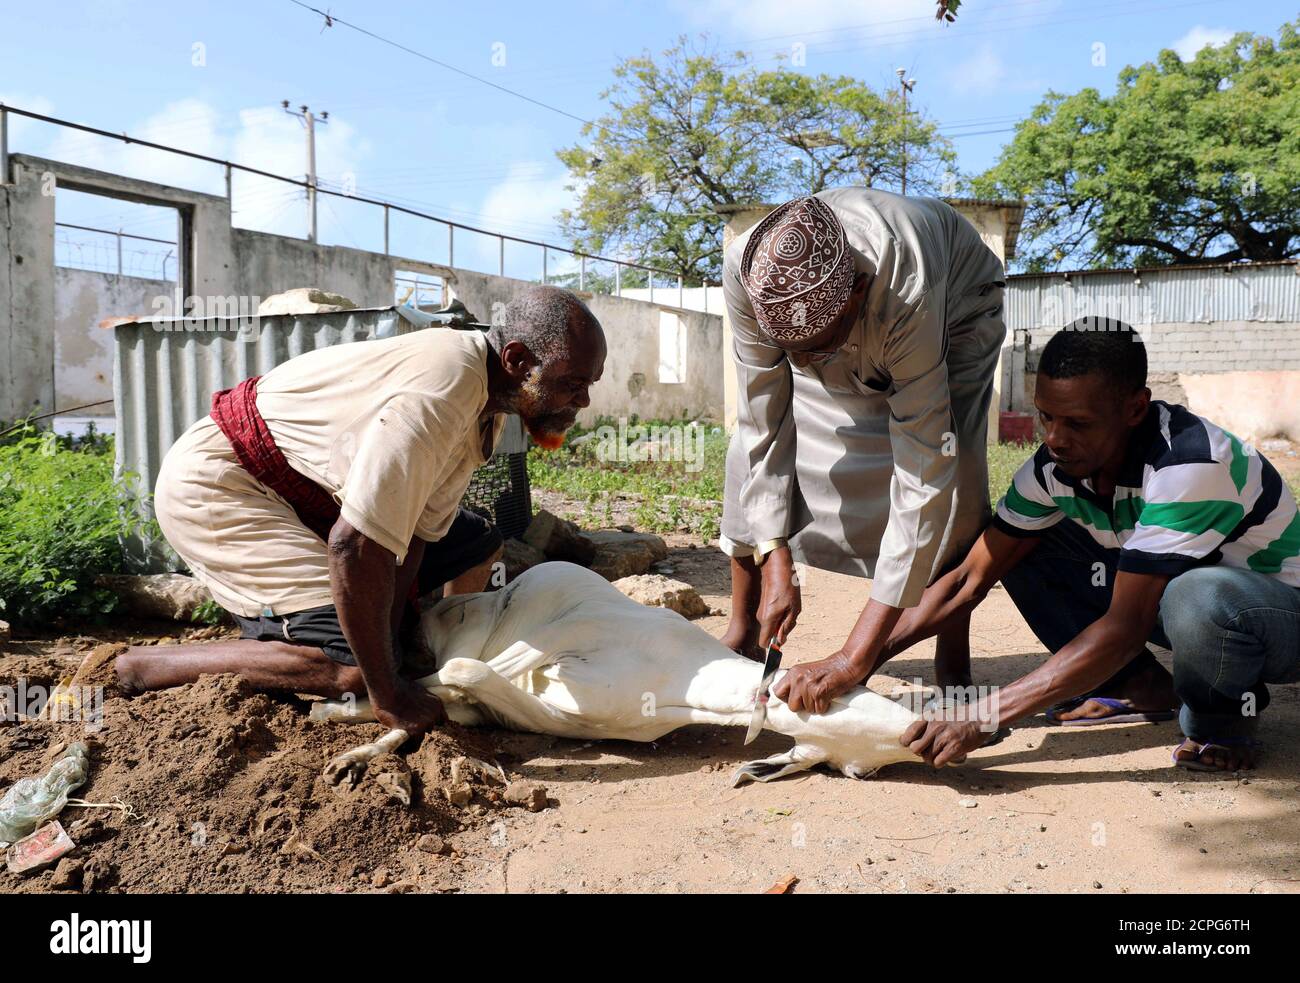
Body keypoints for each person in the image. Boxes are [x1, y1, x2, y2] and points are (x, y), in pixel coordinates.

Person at [779, 318, 1300, 773]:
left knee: (1199, 595)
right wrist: (852, 664)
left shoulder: (1191, 466)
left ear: (1136, 408)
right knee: (1020, 545)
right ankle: (1141, 688)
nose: (1053, 438)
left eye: (1077, 423)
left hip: (1275, 622)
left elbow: (1124, 628)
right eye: (1046, 417)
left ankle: (1223, 723)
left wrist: (986, 715)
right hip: (1179, 606)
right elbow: (967, 580)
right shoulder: (1055, 468)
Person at [116, 285, 606, 738]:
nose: (582, 399)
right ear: (517, 360)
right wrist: (385, 691)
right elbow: (353, 545)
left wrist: (391, 651)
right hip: (223, 486)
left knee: (475, 545)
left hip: (307, 494)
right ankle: (142, 667)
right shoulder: (440, 390)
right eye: (573, 383)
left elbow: (416, 536)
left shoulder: (487, 406)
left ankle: (376, 650)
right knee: (347, 669)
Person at [720, 189, 1006, 691]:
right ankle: (742, 632)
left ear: (859, 289)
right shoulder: (748, 274)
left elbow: (924, 467)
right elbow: (760, 423)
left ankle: (952, 660)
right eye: (793, 353)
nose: (806, 365)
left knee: (954, 467)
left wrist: (855, 657)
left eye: (818, 347)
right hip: (833, 318)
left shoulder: (906, 287)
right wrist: (774, 557)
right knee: (746, 450)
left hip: (957, 309)